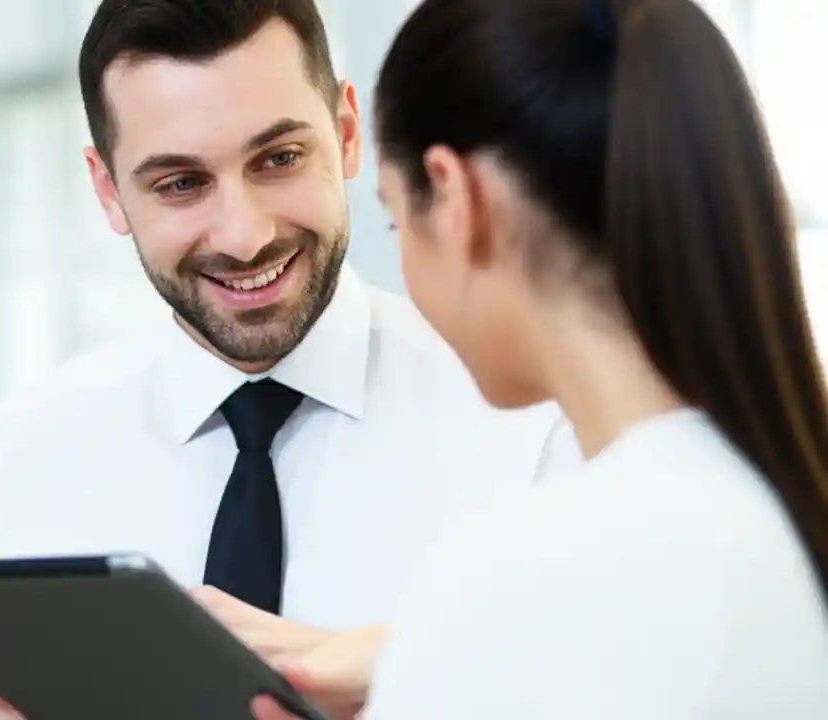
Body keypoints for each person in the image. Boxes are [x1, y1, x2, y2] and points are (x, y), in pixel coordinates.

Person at [0, 1, 579, 717]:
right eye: (181, 183)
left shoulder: (537, 431)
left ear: (345, 134)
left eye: (278, 159)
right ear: (108, 191)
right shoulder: (4, 473)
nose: (245, 237)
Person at [248, 0, 828, 718]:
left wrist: (446, 651)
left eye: (397, 216)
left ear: (458, 200)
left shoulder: (516, 573)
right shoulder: (774, 503)